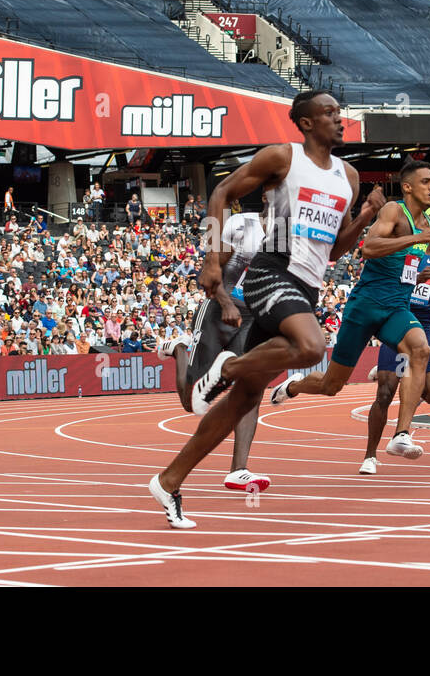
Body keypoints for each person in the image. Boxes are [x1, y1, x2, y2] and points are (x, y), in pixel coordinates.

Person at [149, 90, 383, 529]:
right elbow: (221, 191)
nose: (340, 119)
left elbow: (334, 251)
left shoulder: (348, 177)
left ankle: (168, 480)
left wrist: (366, 213)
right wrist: (213, 256)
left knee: (241, 402)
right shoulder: (282, 157)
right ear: (307, 123)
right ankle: (227, 368)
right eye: (329, 113)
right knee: (313, 347)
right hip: (272, 272)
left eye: (341, 113)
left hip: (308, 287)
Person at [270, 158, 430, 462]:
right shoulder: (394, 211)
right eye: (426, 181)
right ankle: (295, 385)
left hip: (395, 308)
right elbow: (369, 248)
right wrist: (417, 238)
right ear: (407, 187)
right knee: (331, 385)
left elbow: (401, 262)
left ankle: (402, 435)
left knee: (420, 349)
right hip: (365, 306)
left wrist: (415, 277)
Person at [158, 199, 270, 493]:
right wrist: (224, 302)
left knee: (251, 389)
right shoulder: (240, 224)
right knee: (191, 402)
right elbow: (211, 271)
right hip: (220, 309)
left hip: (254, 316)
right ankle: (180, 349)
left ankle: (239, 470)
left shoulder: (289, 232)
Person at [358, 202, 430, 474]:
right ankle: (370, 456)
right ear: (425, 221)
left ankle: (402, 417)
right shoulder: (406, 250)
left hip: (426, 329)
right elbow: (388, 285)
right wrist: (416, 278)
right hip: (400, 324)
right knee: (384, 393)